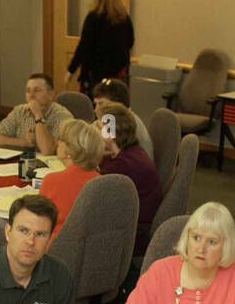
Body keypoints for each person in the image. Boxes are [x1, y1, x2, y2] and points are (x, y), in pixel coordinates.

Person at [96, 101, 162, 257]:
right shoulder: (125, 152)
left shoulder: (125, 165)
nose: (95, 131)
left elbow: (92, 190)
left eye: (99, 127)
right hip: (128, 224)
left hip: (131, 236)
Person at [66, 0, 134, 96]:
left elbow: (84, 46)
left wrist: (71, 70)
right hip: (117, 73)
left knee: (95, 106)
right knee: (112, 108)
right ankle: (109, 116)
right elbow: (130, 42)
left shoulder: (93, 18)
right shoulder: (124, 18)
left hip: (95, 73)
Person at [38, 119, 104, 239]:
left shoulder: (52, 181)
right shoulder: (102, 182)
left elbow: (39, 223)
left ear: (70, 149)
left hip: (54, 249)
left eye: (62, 140)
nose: (58, 143)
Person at [0, 72, 73, 156]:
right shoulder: (19, 111)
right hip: (22, 162)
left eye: (37, 90)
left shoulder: (62, 116)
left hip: (51, 166)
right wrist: (23, 142)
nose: (31, 95)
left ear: (51, 94)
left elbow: (47, 151)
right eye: (28, 91)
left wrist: (38, 115)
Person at [91, 77, 153, 162]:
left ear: (118, 105)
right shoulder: (112, 121)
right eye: (96, 104)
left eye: (101, 104)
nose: (95, 110)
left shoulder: (128, 127)